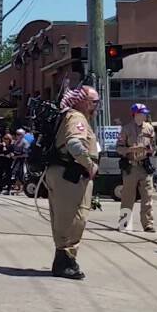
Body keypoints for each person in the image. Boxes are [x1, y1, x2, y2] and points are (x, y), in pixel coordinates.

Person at [45, 85, 100, 280]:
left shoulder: (69, 116)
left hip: (64, 174)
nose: (96, 107)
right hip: (70, 174)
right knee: (74, 219)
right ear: (84, 102)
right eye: (94, 102)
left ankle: (65, 260)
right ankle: (65, 261)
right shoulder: (77, 117)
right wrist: (89, 165)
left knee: (66, 219)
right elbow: (74, 144)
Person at [116, 103, 155, 233]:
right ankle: (124, 223)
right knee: (128, 197)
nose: (144, 116)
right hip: (131, 167)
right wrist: (130, 149)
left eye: (145, 114)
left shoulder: (149, 129)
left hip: (144, 166)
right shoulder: (126, 129)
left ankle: (148, 224)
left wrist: (150, 150)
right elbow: (119, 148)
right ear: (135, 115)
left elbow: (153, 147)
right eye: (141, 114)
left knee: (147, 197)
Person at [11, 129, 30, 194]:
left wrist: (17, 156)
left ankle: (22, 188)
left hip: (22, 160)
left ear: (23, 135)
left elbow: (26, 154)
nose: (17, 135)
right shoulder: (16, 142)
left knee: (21, 173)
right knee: (15, 173)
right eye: (16, 134)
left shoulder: (25, 142)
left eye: (19, 134)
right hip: (16, 160)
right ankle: (18, 187)